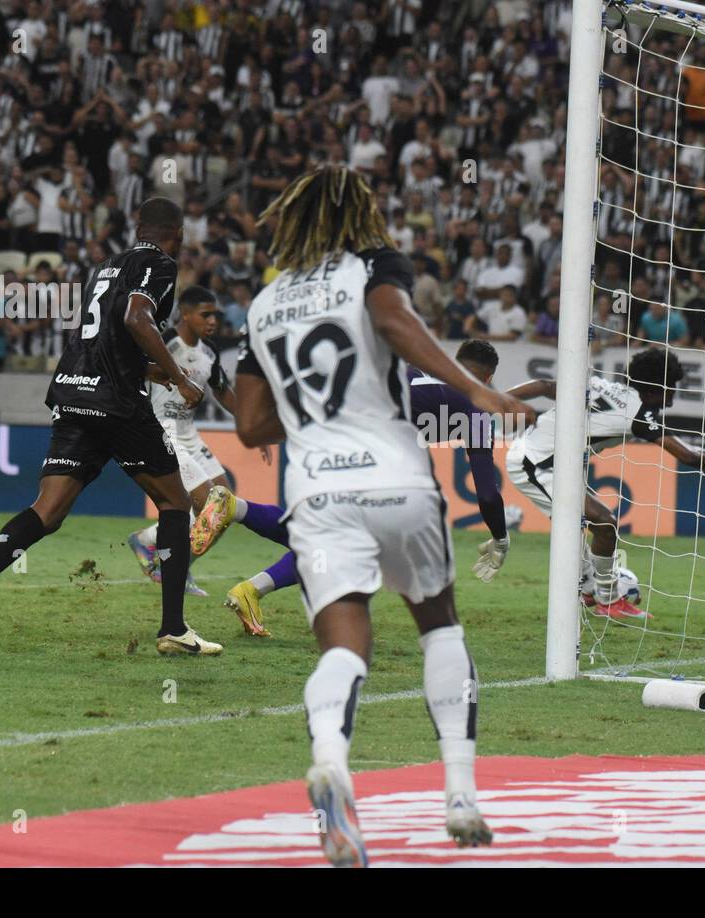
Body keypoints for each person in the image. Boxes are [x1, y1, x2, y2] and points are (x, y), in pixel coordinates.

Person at [228, 165, 534, 867]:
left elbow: (248, 425)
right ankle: (460, 794)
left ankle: (331, 763)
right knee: (438, 625)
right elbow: (393, 319)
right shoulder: (373, 264)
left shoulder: (266, 301)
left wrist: (313, 415)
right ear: (358, 213)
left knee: (342, 647)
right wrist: (474, 392)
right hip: (396, 477)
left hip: (316, 489)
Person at [0, 198, 222, 658]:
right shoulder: (160, 264)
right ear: (179, 231)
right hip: (115, 404)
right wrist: (180, 375)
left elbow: (106, 339)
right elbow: (136, 318)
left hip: (73, 391)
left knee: (47, 511)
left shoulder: (106, 267)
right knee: (174, 501)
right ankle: (173, 628)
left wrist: (151, 370)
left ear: (138, 225)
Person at [189, 338, 552, 636]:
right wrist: (500, 538)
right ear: (487, 379)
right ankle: (250, 574)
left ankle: (240, 534)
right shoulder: (475, 410)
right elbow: (487, 492)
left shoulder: (414, 363)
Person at [504, 347, 705, 618]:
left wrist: (501, 398)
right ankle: (607, 599)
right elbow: (686, 454)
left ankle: (592, 591)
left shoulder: (602, 385)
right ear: (654, 389)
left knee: (586, 525)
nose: (673, 392)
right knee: (603, 524)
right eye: (671, 386)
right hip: (533, 463)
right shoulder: (640, 413)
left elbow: (545, 385)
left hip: (552, 462)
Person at [127, 285, 265, 597]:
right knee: (206, 503)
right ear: (186, 315)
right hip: (161, 431)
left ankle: (167, 557)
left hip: (189, 433)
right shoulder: (165, 342)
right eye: (206, 314)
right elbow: (133, 367)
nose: (213, 320)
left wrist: (250, 424)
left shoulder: (209, 352)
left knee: (224, 506)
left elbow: (222, 390)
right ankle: (159, 553)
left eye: (215, 314)